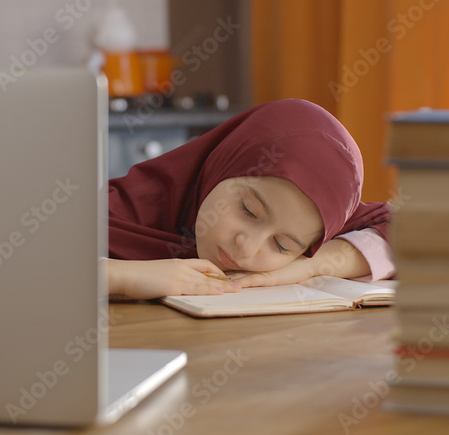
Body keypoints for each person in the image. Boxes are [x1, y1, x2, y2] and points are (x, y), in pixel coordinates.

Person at [105, 99, 395, 299]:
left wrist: (310, 266)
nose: (247, 247)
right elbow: (58, 259)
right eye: (248, 210)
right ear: (224, 162)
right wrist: (123, 275)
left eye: (282, 246)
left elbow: (417, 229)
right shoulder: (116, 212)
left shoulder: (312, 221)